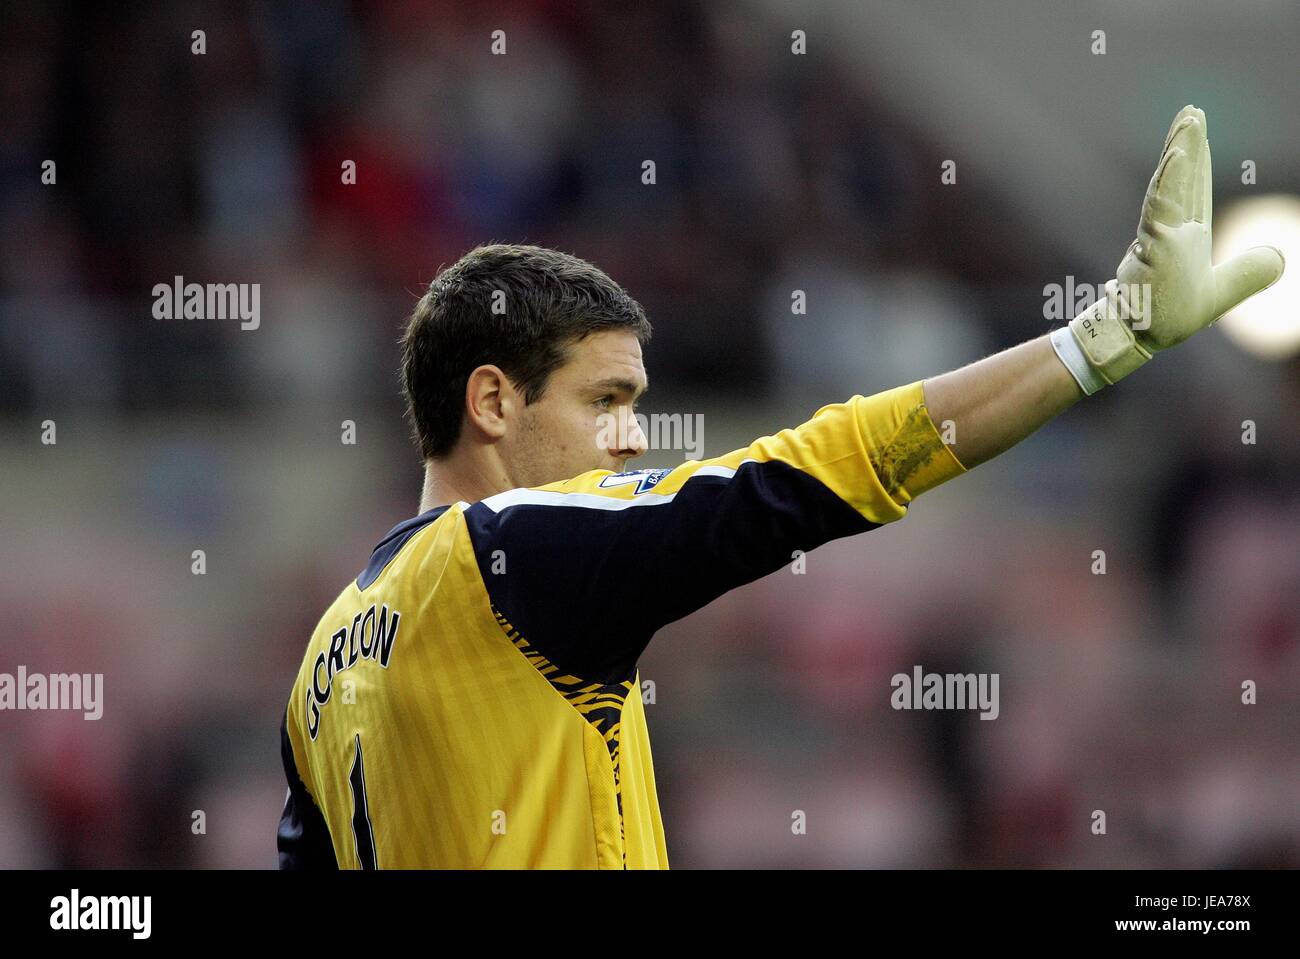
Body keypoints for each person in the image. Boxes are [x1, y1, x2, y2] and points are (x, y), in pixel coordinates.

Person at [277, 106, 1283, 868]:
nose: (629, 441)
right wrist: (1097, 343)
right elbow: (810, 470)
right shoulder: (512, 551)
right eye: (605, 400)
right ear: (491, 401)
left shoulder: (321, 668)